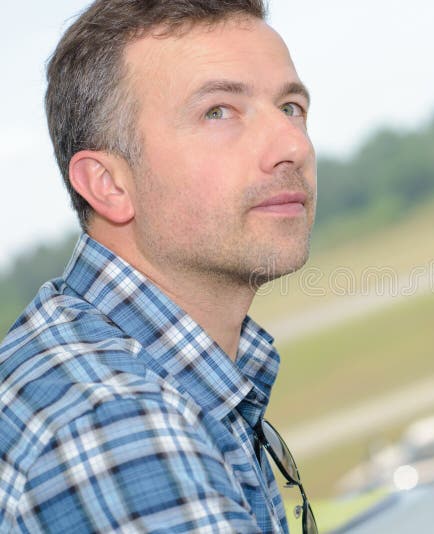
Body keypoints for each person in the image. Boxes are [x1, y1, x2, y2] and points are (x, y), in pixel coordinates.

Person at [0, 1, 317, 532]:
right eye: (218, 111)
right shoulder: (115, 422)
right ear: (109, 184)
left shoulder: (130, 368)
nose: (292, 146)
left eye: (290, 107)